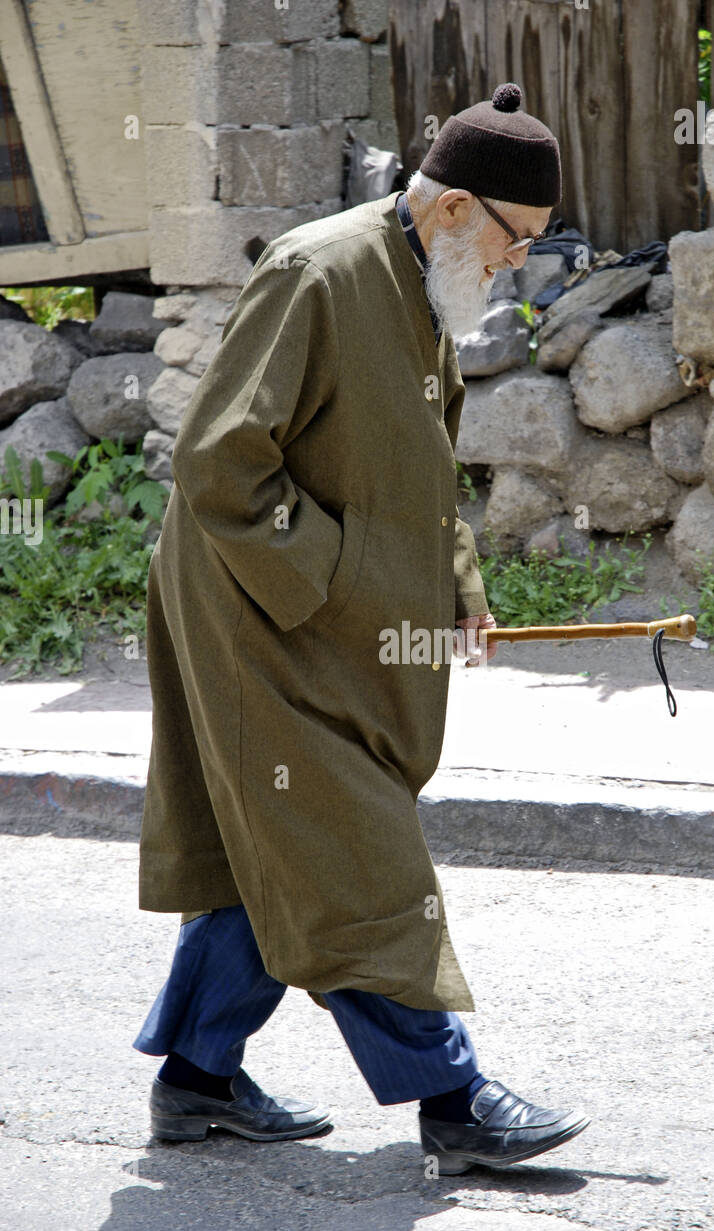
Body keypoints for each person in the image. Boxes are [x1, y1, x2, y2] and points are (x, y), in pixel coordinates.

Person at [133, 83, 591, 1175]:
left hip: (316, 617)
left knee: (272, 850)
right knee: (352, 848)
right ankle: (454, 1097)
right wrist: (340, 580)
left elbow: (419, 475)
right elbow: (218, 464)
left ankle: (196, 1081)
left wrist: (455, 586)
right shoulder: (319, 272)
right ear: (451, 210)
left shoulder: (429, 285)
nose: (516, 265)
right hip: (255, 614)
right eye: (513, 240)